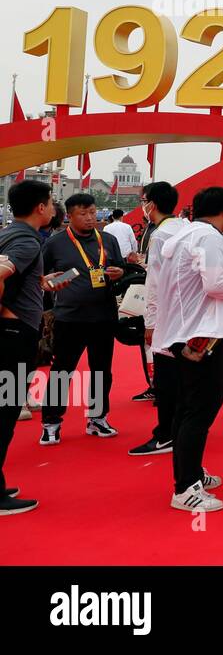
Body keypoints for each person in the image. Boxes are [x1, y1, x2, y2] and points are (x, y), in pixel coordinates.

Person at [153, 186, 223, 511]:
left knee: (188, 405)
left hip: (183, 331)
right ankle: (185, 487)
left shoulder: (183, 236)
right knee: (201, 406)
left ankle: (191, 472)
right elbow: (216, 285)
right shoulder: (208, 238)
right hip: (202, 333)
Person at [0, 180, 69, 514]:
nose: (54, 208)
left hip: (12, 330)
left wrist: (41, 282)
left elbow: (13, 274)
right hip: (13, 334)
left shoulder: (10, 233)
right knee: (4, 412)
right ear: (41, 207)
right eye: (52, 202)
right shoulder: (26, 241)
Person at [39, 192, 126, 445]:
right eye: (83, 214)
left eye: (92, 213)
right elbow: (41, 279)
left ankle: (97, 418)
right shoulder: (56, 243)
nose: (90, 218)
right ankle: (51, 422)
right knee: (62, 371)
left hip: (104, 316)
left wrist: (119, 272)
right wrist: (53, 282)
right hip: (69, 317)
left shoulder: (107, 239)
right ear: (69, 216)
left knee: (101, 371)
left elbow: (120, 269)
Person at [127, 181, 189, 458]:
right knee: (182, 377)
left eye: (143, 200)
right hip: (186, 314)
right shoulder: (186, 228)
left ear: (151, 203)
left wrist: (149, 323)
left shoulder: (161, 235)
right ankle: (179, 429)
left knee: (166, 379)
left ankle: (166, 434)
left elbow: (154, 284)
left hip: (166, 316)